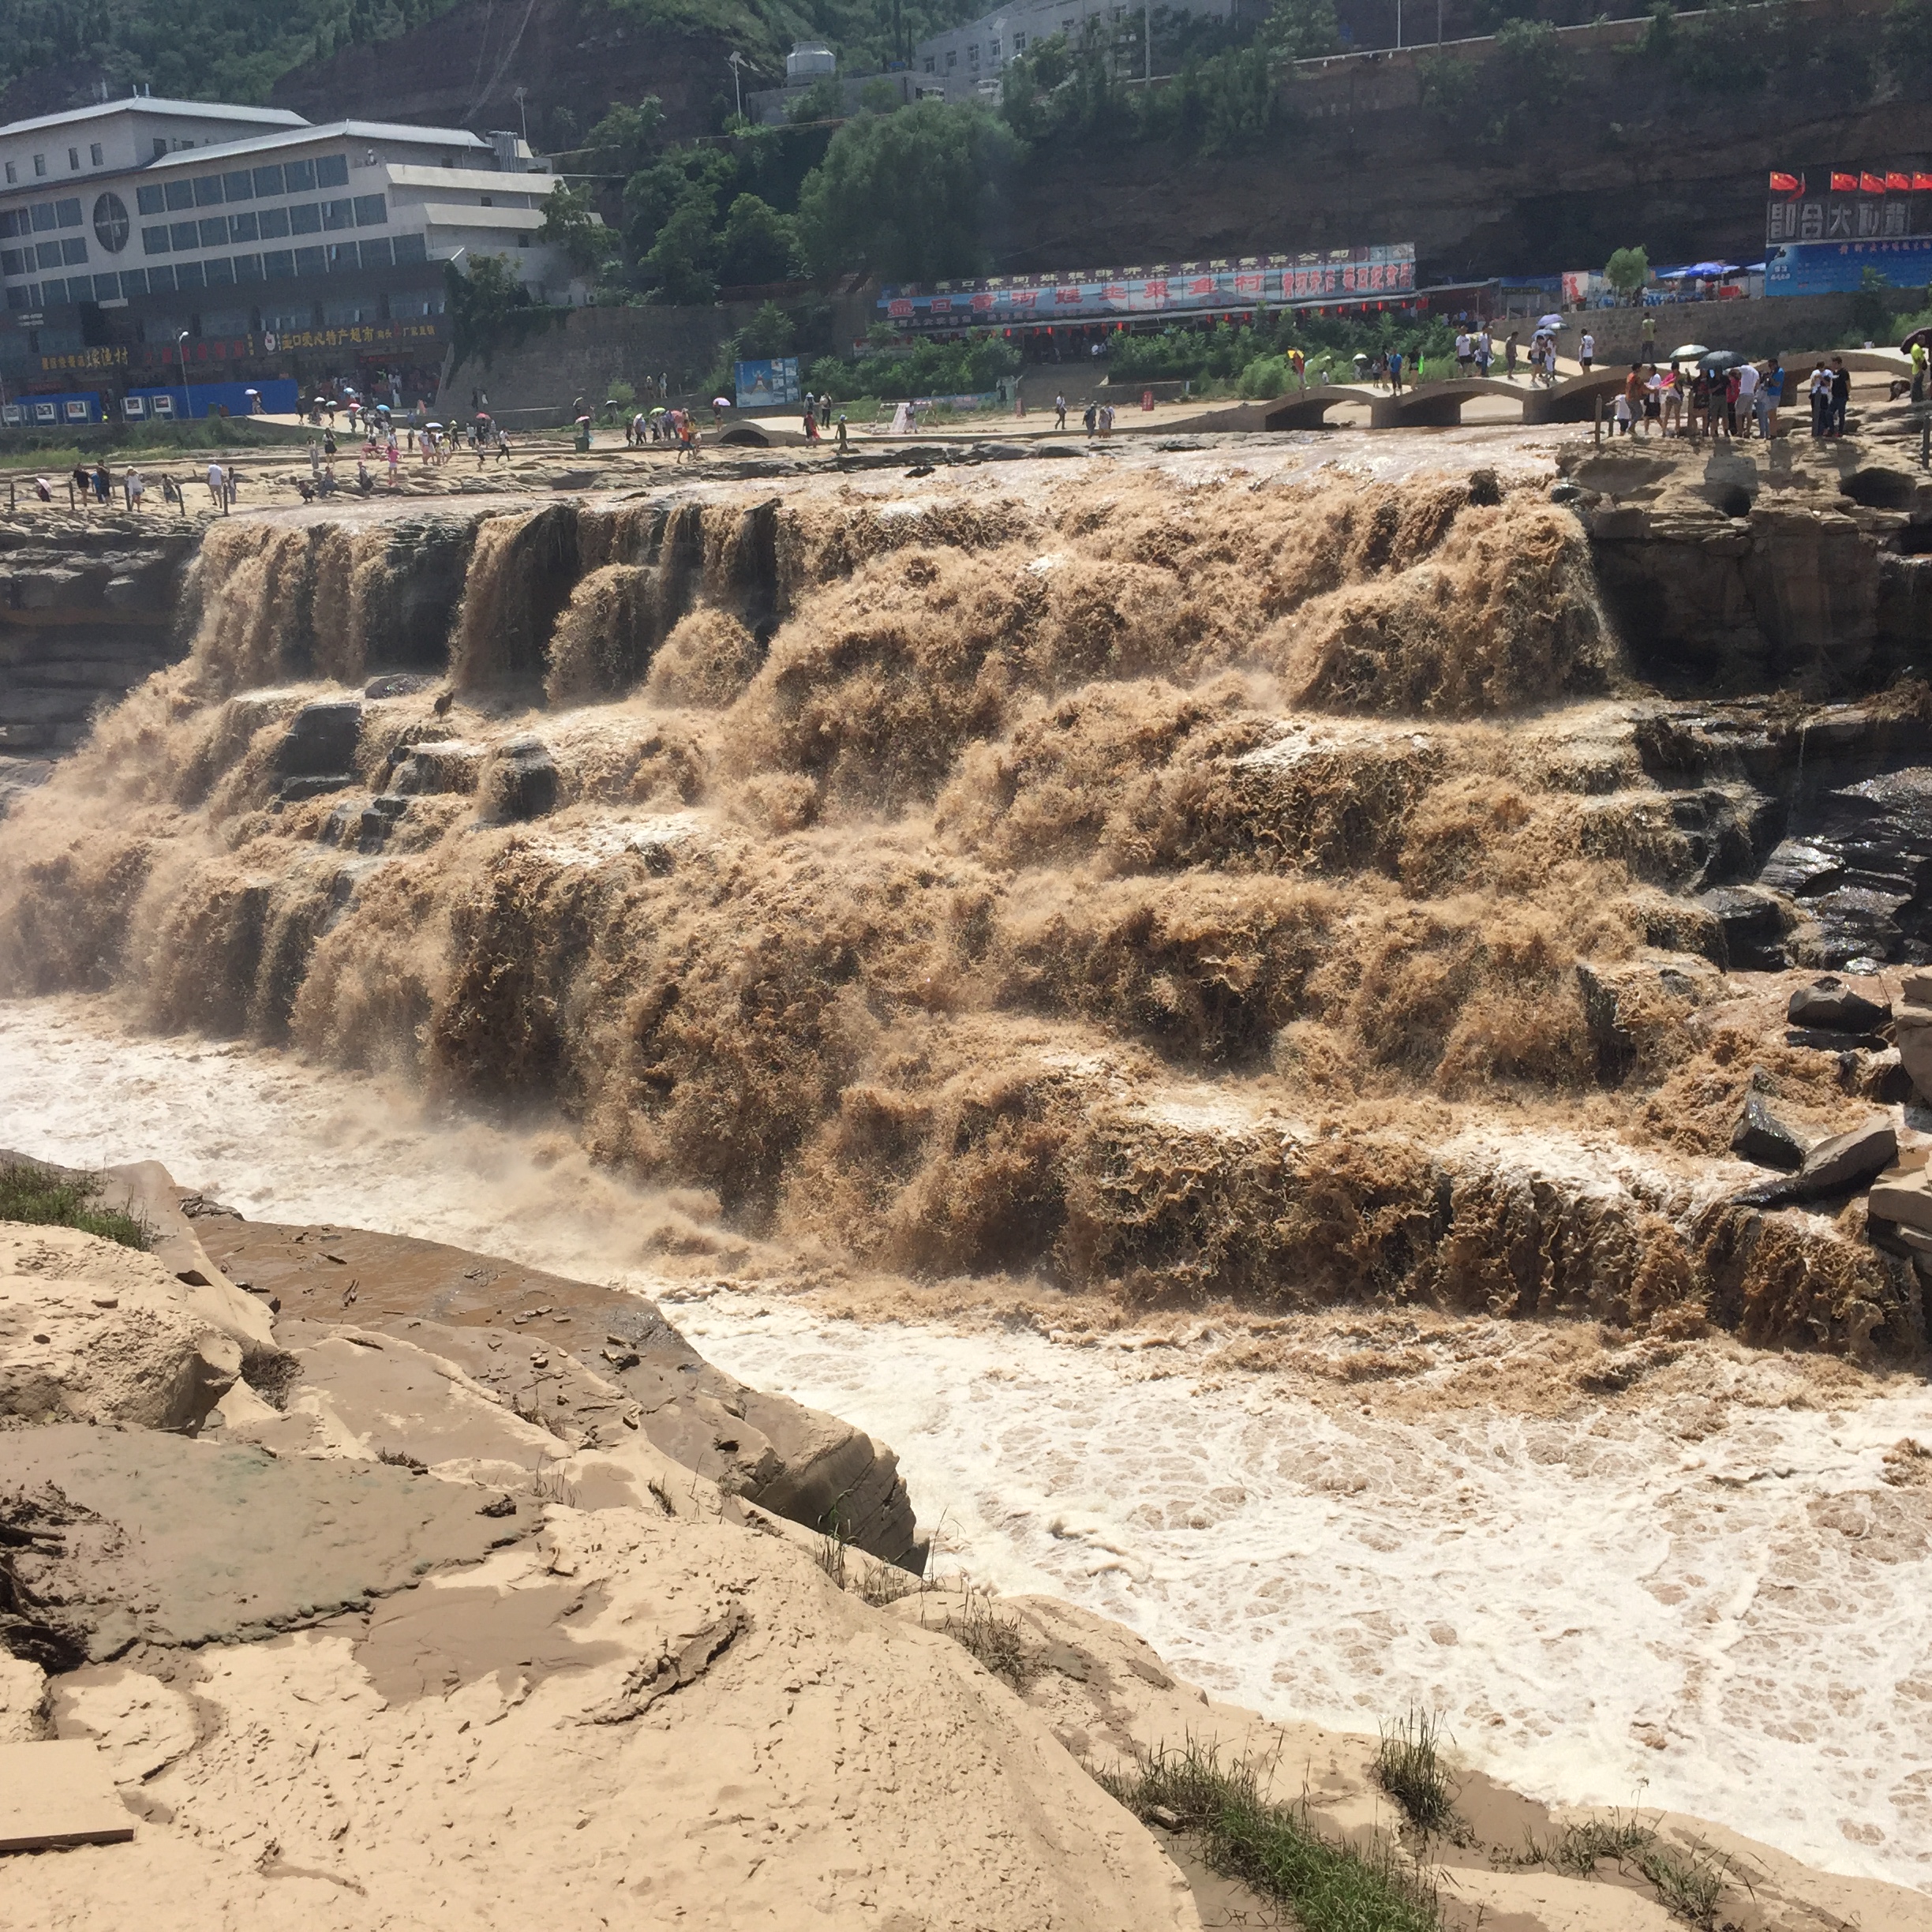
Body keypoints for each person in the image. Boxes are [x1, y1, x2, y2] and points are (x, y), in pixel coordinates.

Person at [1735, 358, 1759, 437]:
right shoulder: (1756, 372)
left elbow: (1735, 370)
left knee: (1738, 414)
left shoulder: (1745, 368)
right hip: (1751, 394)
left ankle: (1740, 432)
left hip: (1744, 393)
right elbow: (1757, 384)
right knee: (1749, 414)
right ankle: (1748, 431)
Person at [1809, 361, 1832, 439]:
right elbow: (1812, 384)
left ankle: (1823, 430)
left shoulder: (1828, 373)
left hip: (1823, 394)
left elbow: (1828, 384)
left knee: (1824, 413)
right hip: (1815, 394)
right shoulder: (1815, 372)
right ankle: (1816, 431)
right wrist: (1815, 378)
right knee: (1815, 412)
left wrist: (1821, 378)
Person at [1762, 360, 1784, 437]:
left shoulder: (1780, 372)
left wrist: (1770, 378)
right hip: (1770, 394)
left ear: (1775, 365)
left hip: (1775, 395)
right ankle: (1771, 433)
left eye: (1770, 365)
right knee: (1770, 415)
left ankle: (1773, 433)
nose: (1770, 367)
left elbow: (1777, 384)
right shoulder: (1773, 372)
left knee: (1773, 415)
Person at [1830, 357, 1851, 436]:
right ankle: (1832, 430)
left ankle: (1840, 431)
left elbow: (1848, 384)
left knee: (1841, 414)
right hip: (1835, 397)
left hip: (1842, 397)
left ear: (1839, 364)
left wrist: (1847, 394)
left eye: (1835, 363)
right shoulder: (1834, 373)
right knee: (1829, 413)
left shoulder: (1844, 372)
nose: (1833, 365)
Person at [1913, 339, 1929, 406]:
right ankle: (1918, 399)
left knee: (1917, 384)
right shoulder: (1917, 349)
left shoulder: (1915, 347)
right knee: (1918, 385)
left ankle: (1917, 398)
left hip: (1916, 369)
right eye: (1923, 340)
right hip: (1918, 370)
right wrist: (1920, 371)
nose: (1924, 342)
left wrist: (1922, 352)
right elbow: (1919, 361)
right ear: (1920, 340)